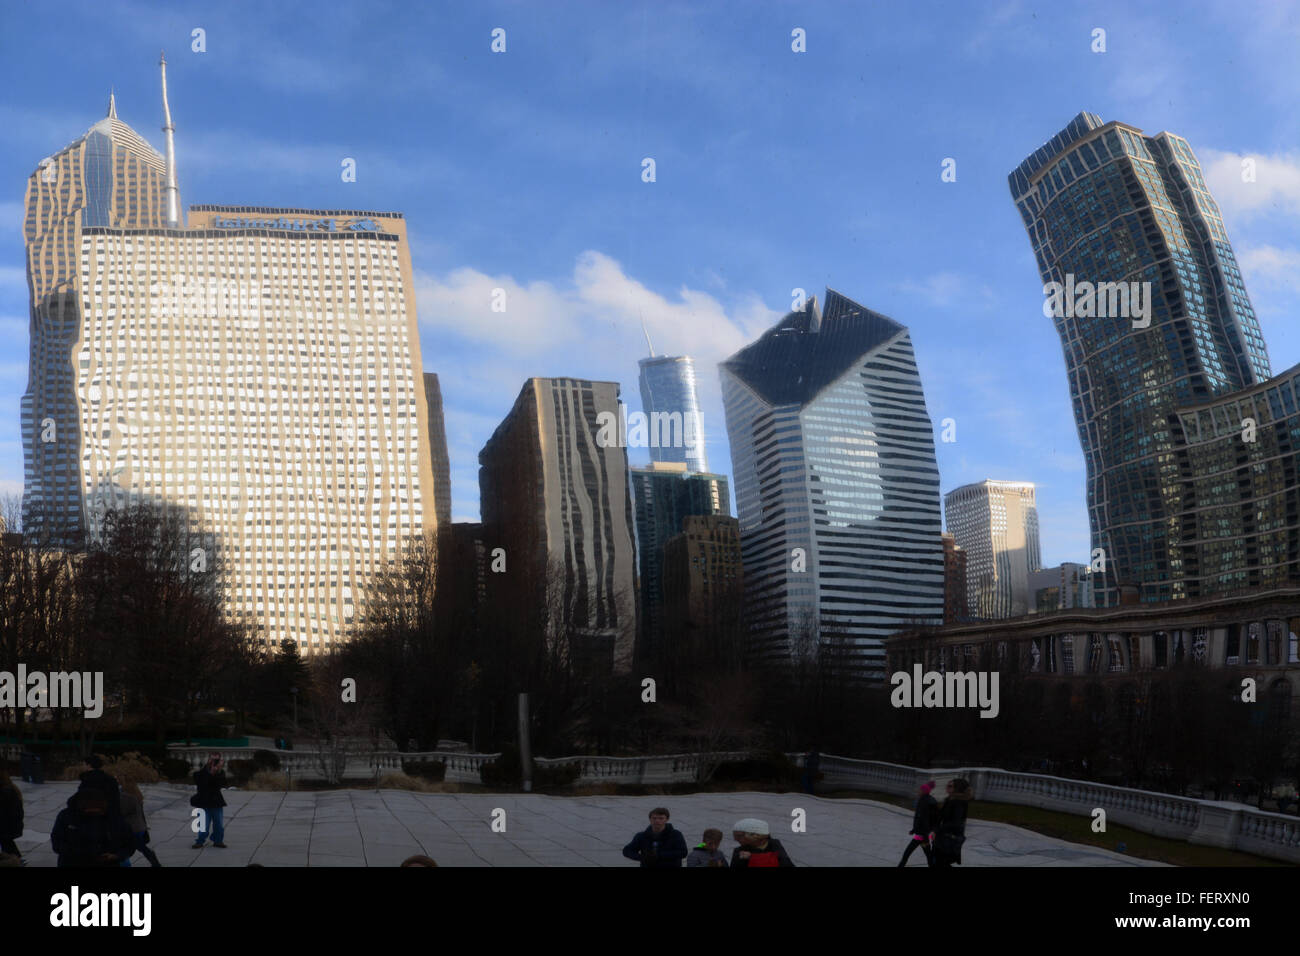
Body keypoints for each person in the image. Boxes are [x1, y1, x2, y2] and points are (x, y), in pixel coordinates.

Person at [50, 786, 135, 867]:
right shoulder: (66, 816)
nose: (94, 814)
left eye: (98, 811)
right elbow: (57, 841)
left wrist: (117, 855)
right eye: (90, 811)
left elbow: (129, 843)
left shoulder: (114, 818)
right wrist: (80, 854)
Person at [622, 807, 688, 867]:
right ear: (650, 819)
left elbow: (683, 852)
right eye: (654, 818)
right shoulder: (641, 836)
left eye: (661, 818)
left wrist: (659, 855)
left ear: (667, 819)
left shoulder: (676, 834)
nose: (657, 821)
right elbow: (627, 851)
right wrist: (643, 857)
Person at [931, 778, 972, 867]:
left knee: (940, 862)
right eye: (947, 785)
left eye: (950, 786)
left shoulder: (959, 803)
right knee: (937, 861)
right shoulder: (949, 800)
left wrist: (938, 830)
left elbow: (955, 823)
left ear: (957, 788)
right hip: (942, 837)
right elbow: (940, 817)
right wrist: (935, 829)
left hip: (949, 840)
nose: (947, 787)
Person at [119, 780, 162, 867]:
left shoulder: (126, 798)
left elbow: (122, 813)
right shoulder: (137, 797)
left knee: (127, 849)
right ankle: (155, 863)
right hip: (139, 827)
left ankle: (156, 864)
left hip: (132, 828)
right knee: (141, 847)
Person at [897, 780, 938, 867]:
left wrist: (925, 836)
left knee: (907, 852)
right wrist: (914, 830)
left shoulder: (926, 802)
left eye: (920, 790)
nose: (918, 791)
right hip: (922, 833)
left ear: (924, 791)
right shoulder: (923, 800)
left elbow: (926, 820)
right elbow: (920, 818)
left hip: (922, 835)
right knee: (928, 855)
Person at [192, 753, 228, 849]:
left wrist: (216, 772)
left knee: (219, 825)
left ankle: (218, 841)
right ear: (208, 760)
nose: (214, 762)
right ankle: (200, 841)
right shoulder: (201, 772)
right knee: (203, 825)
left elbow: (221, 784)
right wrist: (209, 772)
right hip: (203, 802)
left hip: (216, 802)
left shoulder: (221, 773)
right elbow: (200, 783)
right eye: (212, 760)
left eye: (216, 760)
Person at [730, 818, 794, 867]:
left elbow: (785, 863)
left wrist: (753, 857)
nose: (735, 839)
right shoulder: (739, 851)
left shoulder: (774, 844)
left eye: (739, 836)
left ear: (756, 835)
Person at [78, 755, 122, 820]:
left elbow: (82, 799)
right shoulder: (110, 780)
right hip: (110, 816)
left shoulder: (87, 780)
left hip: (91, 817)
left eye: (83, 764)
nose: (82, 766)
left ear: (89, 765)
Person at [0, 766, 24, 862]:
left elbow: (11, 812)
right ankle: (16, 859)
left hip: (6, 826)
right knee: (7, 843)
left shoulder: (6, 791)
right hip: (8, 826)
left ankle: (15, 860)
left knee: (7, 843)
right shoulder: (9, 789)